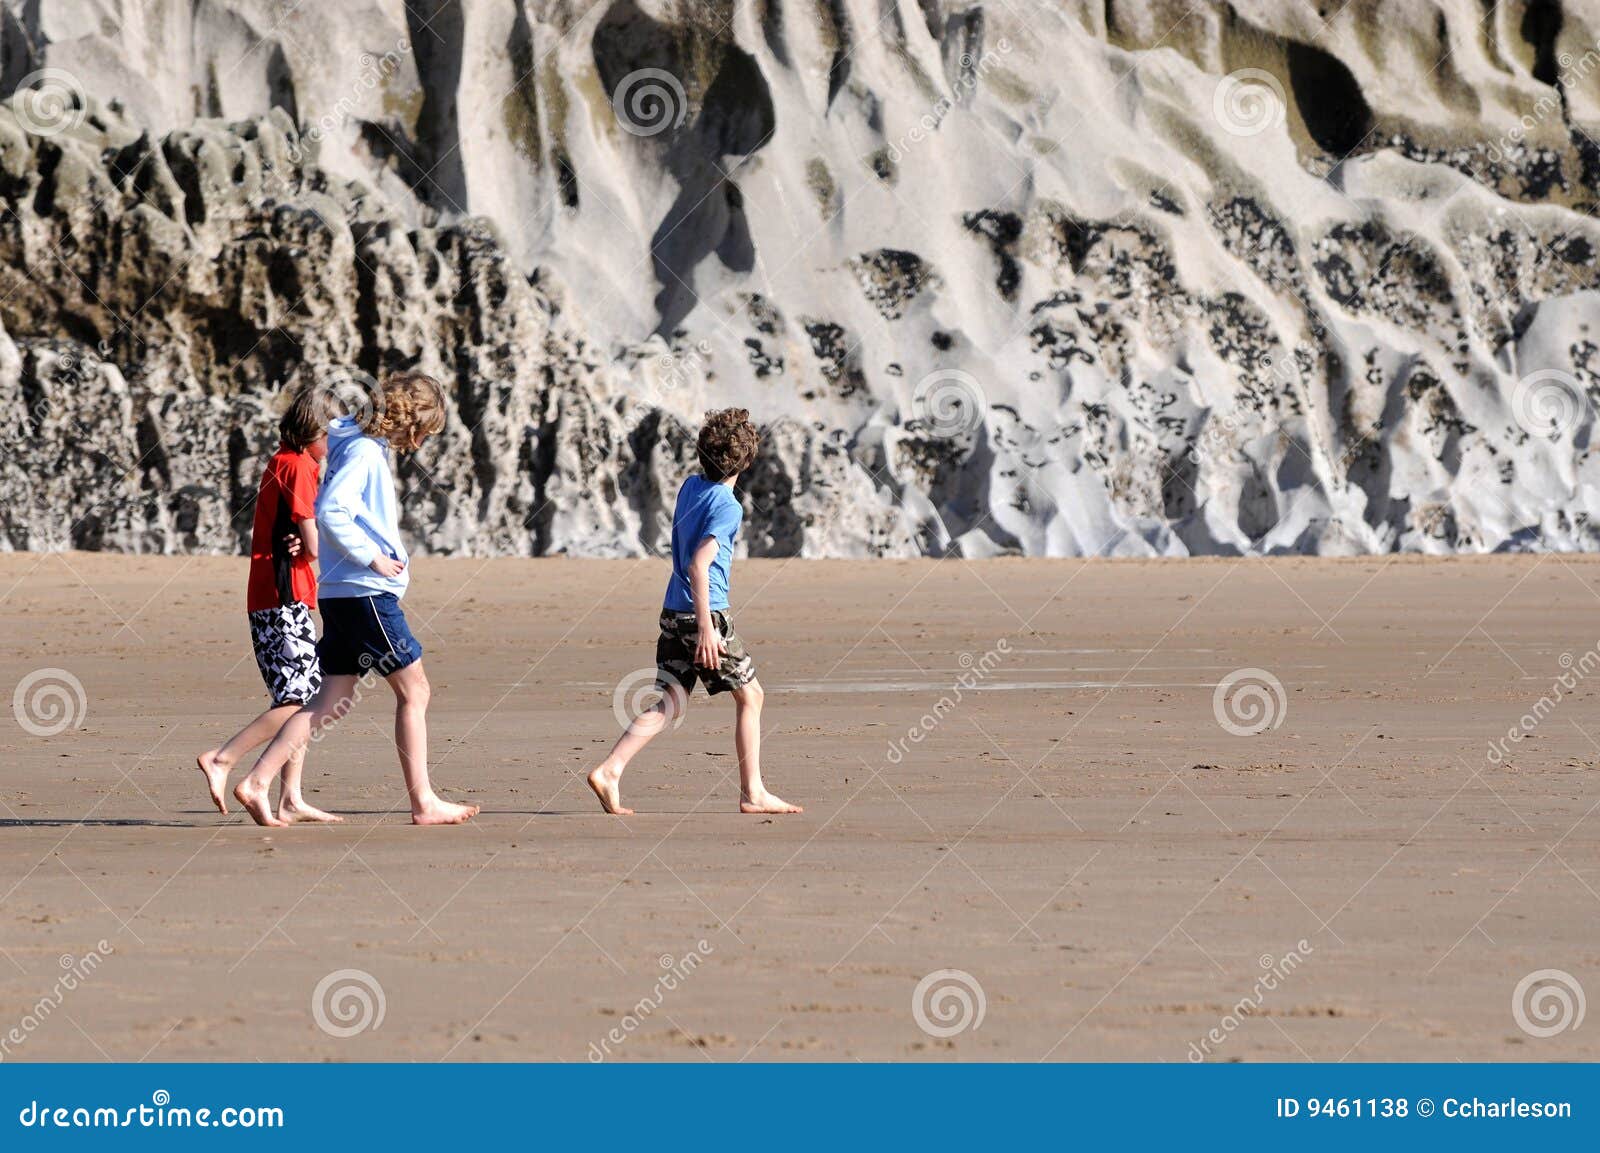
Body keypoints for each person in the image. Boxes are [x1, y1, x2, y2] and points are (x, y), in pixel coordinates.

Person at [234, 371, 479, 827]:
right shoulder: (366, 451)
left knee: (328, 702)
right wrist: (372, 558)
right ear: (407, 419)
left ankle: (256, 781)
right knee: (416, 691)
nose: (420, 444)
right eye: (422, 432)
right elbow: (331, 511)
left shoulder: (348, 437)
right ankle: (423, 802)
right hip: (366, 594)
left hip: (339, 593)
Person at [587, 408, 801, 817]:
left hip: (672, 610)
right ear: (747, 462)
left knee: (671, 699)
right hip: (705, 614)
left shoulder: (690, 487)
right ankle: (752, 792)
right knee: (751, 696)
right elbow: (699, 565)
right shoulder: (728, 505)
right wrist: (707, 628)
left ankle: (611, 769)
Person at [196, 387, 342, 824]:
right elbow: (315, 544)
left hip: (280, 592)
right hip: (282, 596)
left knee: (299, 694)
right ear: (314, 431)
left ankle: (291, 797)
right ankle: (223, 758)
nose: (336, 445)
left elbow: (304, 537)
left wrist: (309, 542)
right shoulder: (298, 466)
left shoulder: (284, 460)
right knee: (303, 699)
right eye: (332, 435)